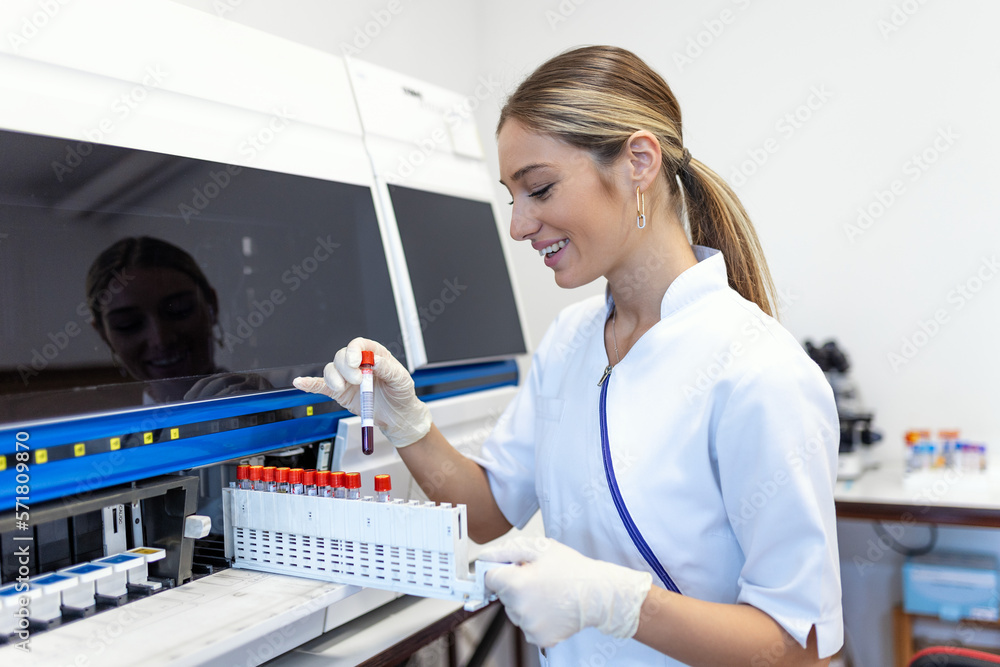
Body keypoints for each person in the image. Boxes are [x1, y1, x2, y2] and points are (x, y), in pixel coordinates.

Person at [295, 45, 842, 666]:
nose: (519, 226)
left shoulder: (758, 372)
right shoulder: (570, 342)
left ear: (639, 161)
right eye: (512, 197)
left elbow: (802, 649)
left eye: (540, 189)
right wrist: (407, 421)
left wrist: (620, 603)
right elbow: (488, 513)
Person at [86, 236, 270, 403]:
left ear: (211, 305)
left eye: (180, 310)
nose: (160, 339)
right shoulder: (124, 437)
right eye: (128, 324)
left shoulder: (289, 391)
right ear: (104, 335)